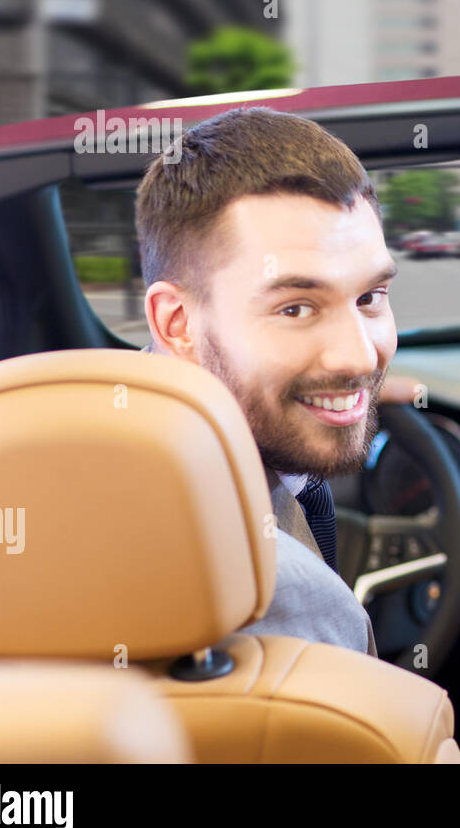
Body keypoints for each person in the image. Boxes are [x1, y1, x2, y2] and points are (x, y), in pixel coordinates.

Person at [136, 106, 397, 655]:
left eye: (369, 299)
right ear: (177, 323)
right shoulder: (272, 593)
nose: (358, 356)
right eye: (296, 309)